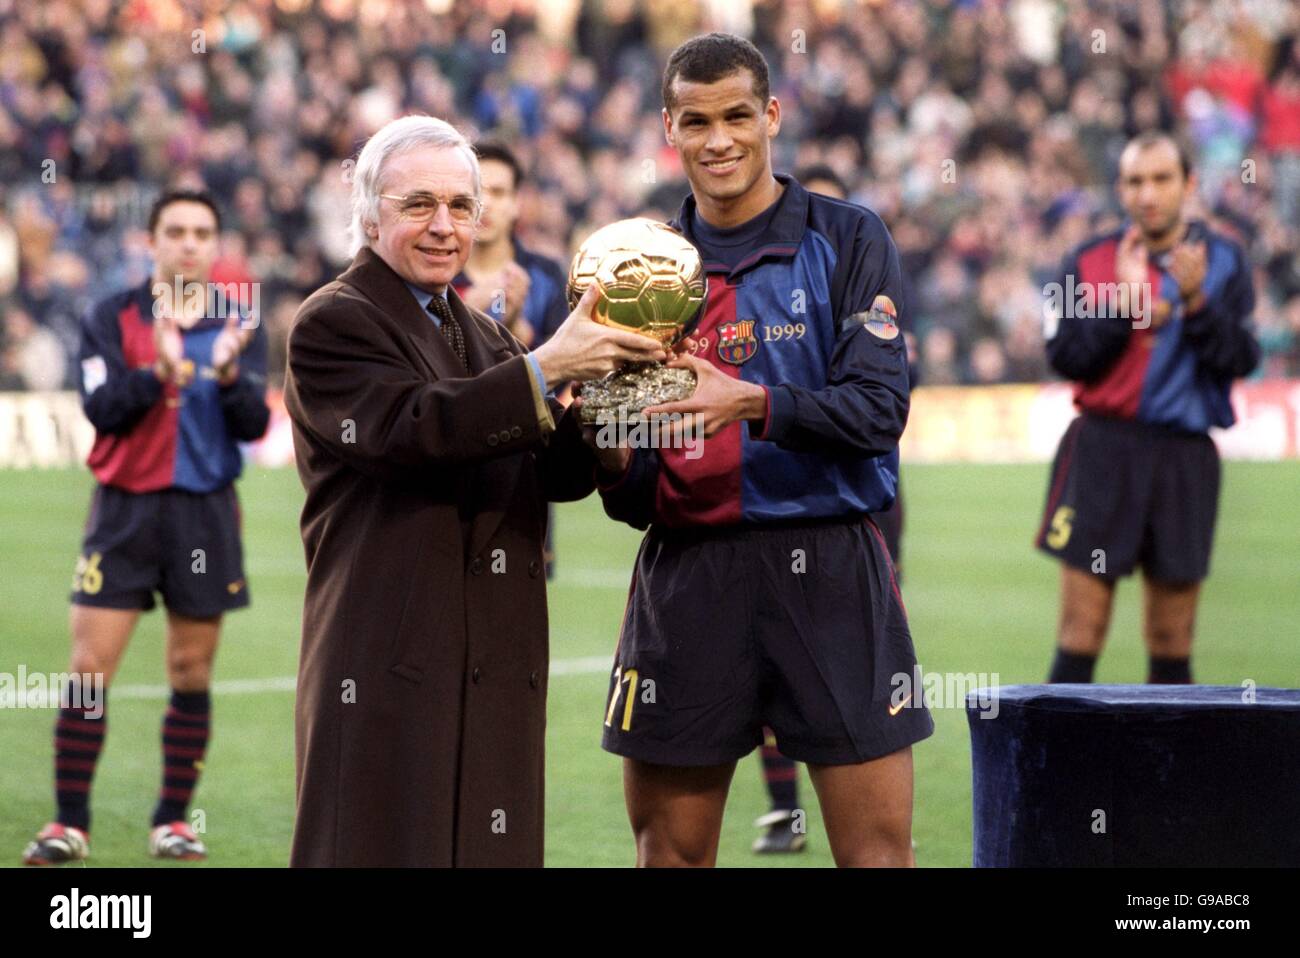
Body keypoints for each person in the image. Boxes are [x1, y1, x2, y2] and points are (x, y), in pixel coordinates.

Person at [282, 114, 664, 867]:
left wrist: (609, 406)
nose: (444, 225)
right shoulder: (334, 320)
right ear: (367, 215)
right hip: (390, 660)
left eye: (461, 207)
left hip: (488, 661)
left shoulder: (484, 334)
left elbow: (549, 471)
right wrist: (549, 365)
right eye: (417, 204)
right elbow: (413, 429)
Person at [593, 34, 932, 868]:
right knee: (668, 855)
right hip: (687, 571)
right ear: (669, 128)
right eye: (697, 120)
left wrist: (746, 402)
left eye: (738, 115)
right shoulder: (636, 274)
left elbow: (879, 409)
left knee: (877, 855)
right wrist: (599, 437)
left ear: (771, 115)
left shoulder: (849, 239)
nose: (719, 140)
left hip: (833, 569)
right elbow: (634, 491)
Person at [22, 188, 269, 865]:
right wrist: (155, 371)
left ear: (215, 246)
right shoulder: (112, 315)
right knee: (87, 668)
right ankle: (69, 823)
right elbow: (100, 408)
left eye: (201, 232)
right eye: (176, 231)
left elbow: (255, 423)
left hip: (204, 513)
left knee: (191, 670)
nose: (189, 243)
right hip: (124, 509)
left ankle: (173, 822)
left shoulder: (239, 324)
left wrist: (224, 378)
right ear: (152, 242)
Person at [1038, 131, 1260, 686]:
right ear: (1121, 188)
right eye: (1135, 181)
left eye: (1162, 179)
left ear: (1188, 184)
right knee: (1080, 636)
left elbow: (1241, 357)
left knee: (1171, 643)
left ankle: (1169, 775)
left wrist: (1194, 303)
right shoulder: (1088, 261)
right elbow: (1065, 357)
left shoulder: (1225, 261)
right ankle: (1058, 774)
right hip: (1102, 453)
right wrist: (1126, 304)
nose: (1148, 193)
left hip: (1184, 460)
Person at [455, 141, 573, 578]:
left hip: (525, 459)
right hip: (454, 456)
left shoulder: (545, 274)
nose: (486, 205)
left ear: (518, 202)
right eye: (476, 192)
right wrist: (470, 308)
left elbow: (565, 369)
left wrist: (519, 333)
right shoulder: (435, 270)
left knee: (520, 609)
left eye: (500, 192)